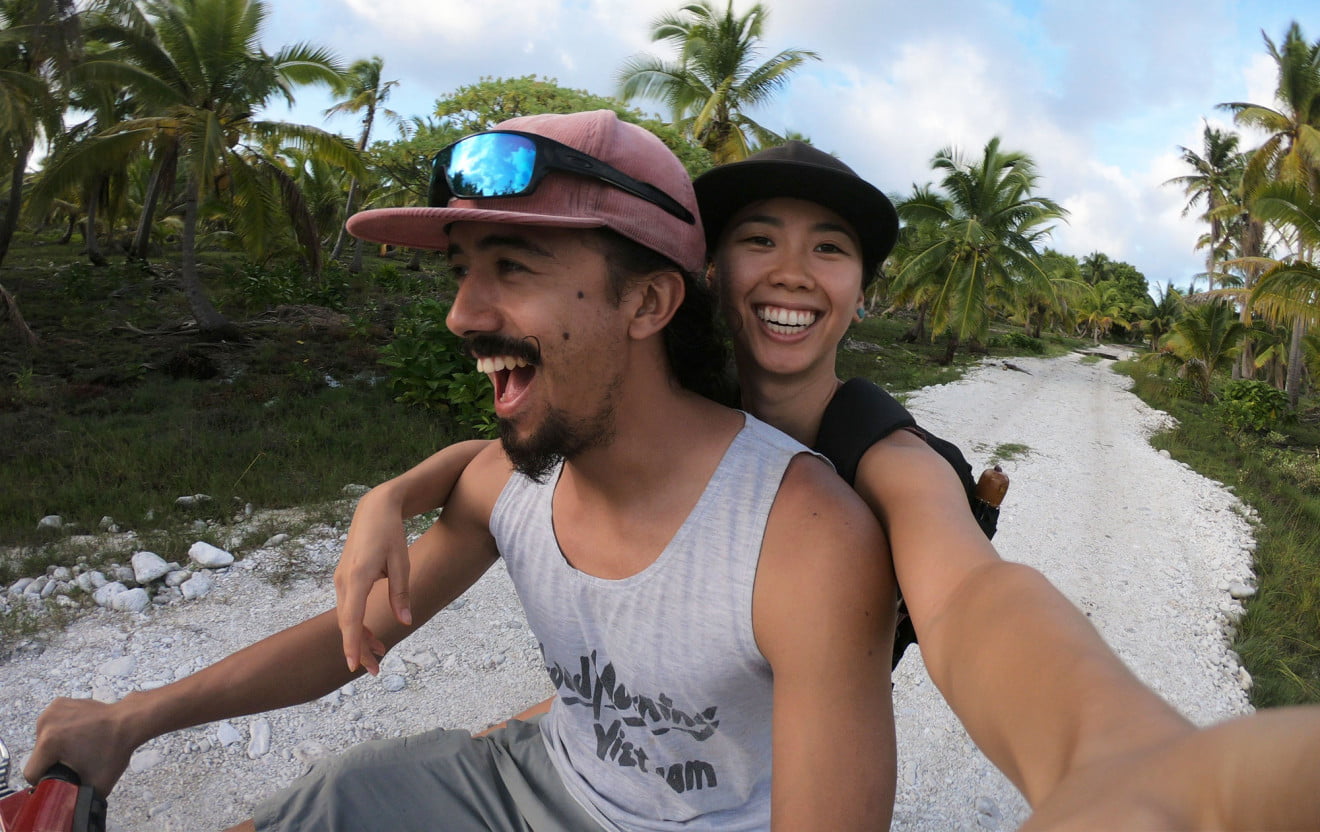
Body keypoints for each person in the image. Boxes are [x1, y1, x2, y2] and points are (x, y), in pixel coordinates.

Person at [335, 139, 1320, 829]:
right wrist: (394, 491)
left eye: (833, 248)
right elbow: (525, 445)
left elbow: (977, 596)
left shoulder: (885, 458)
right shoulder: (673, 386)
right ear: (703, 273)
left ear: (861, 291)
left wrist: (1113, 751)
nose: (793, 271)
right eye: (759, 238)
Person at [25, 111, 899, 831]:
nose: (459, 315)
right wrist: (131, 717)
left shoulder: (803, 536)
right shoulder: (511, 482)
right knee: (335, 799)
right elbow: (352, 639)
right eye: (461, 270)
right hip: (531, 785)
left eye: (511, 267)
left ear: (648, 302)